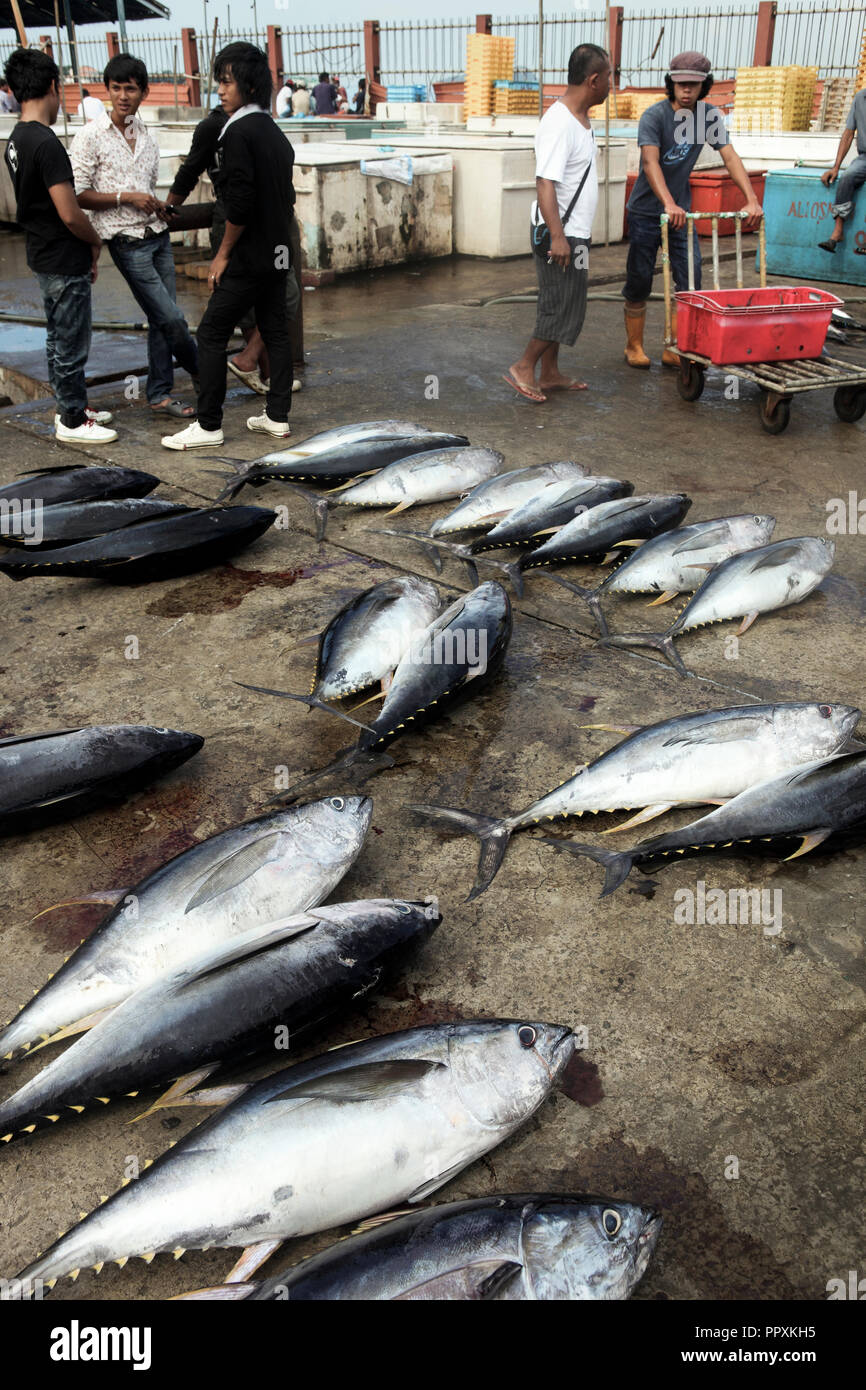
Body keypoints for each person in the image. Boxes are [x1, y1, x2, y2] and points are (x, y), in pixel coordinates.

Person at [162, 43, 295, 450]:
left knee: (212, 332)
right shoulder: (274, 133)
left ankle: (208, 425)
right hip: (280, 250)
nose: (220, 90)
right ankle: (277, 416)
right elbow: (283, 198)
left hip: (250, 254)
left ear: (247, 85)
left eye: (226, 81)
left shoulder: (237, 132)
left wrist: (222, 254)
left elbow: (239, 203)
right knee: (275, 329)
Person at [70, 53, 198, 418]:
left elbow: (143, 188)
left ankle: (159, 394)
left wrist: (153, 203)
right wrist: (127, 198)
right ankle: (208, 372)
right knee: (172, 319)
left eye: (130, 89)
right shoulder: (90, 136)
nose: (123, 96)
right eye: (116, 88)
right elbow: (77, 193)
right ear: (107, 91)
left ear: (143, 92)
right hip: (126, 242)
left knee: (163, 320)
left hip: (157, 235)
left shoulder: (147, 137)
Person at [3, 48, 116, 443]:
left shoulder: (15, 140)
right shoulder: (46, 143)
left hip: (41, 254)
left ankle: (71, 404)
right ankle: (71, 420)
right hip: (63, 256)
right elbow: (70, 213)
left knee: (56, 336)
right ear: (53, 86)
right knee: (70, 340)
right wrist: (95, 240)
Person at [622, 51, 762, 369]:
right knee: (640, 280)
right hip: (646, 212)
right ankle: (633, 346)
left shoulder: (709, 117)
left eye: (693, 85)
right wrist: (667, 202)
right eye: (681, 84)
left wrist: (751, 198)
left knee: (690, 280)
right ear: (671, 83)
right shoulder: (654, 116)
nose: (686, 91)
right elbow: (649, 161)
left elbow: (729, 156)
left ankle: (676, 346)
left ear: (704, 86)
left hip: (681, 214)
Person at [504, 44, 610, 404]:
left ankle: (549, 373)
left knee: (568, 300)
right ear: (594, 80)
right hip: (559, 235)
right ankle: (524, 365)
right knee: (561, 306)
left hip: (574, 232)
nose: (612, 84)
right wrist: (559, 237)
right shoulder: (559, 123)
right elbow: (544, 182)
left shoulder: (579, 120)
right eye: (609, 77)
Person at [819, 87, 866, 256]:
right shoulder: (860, 98)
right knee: (848, 176)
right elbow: (848, 134)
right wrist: (836, 167)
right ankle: (837, 233)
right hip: (864, 158)